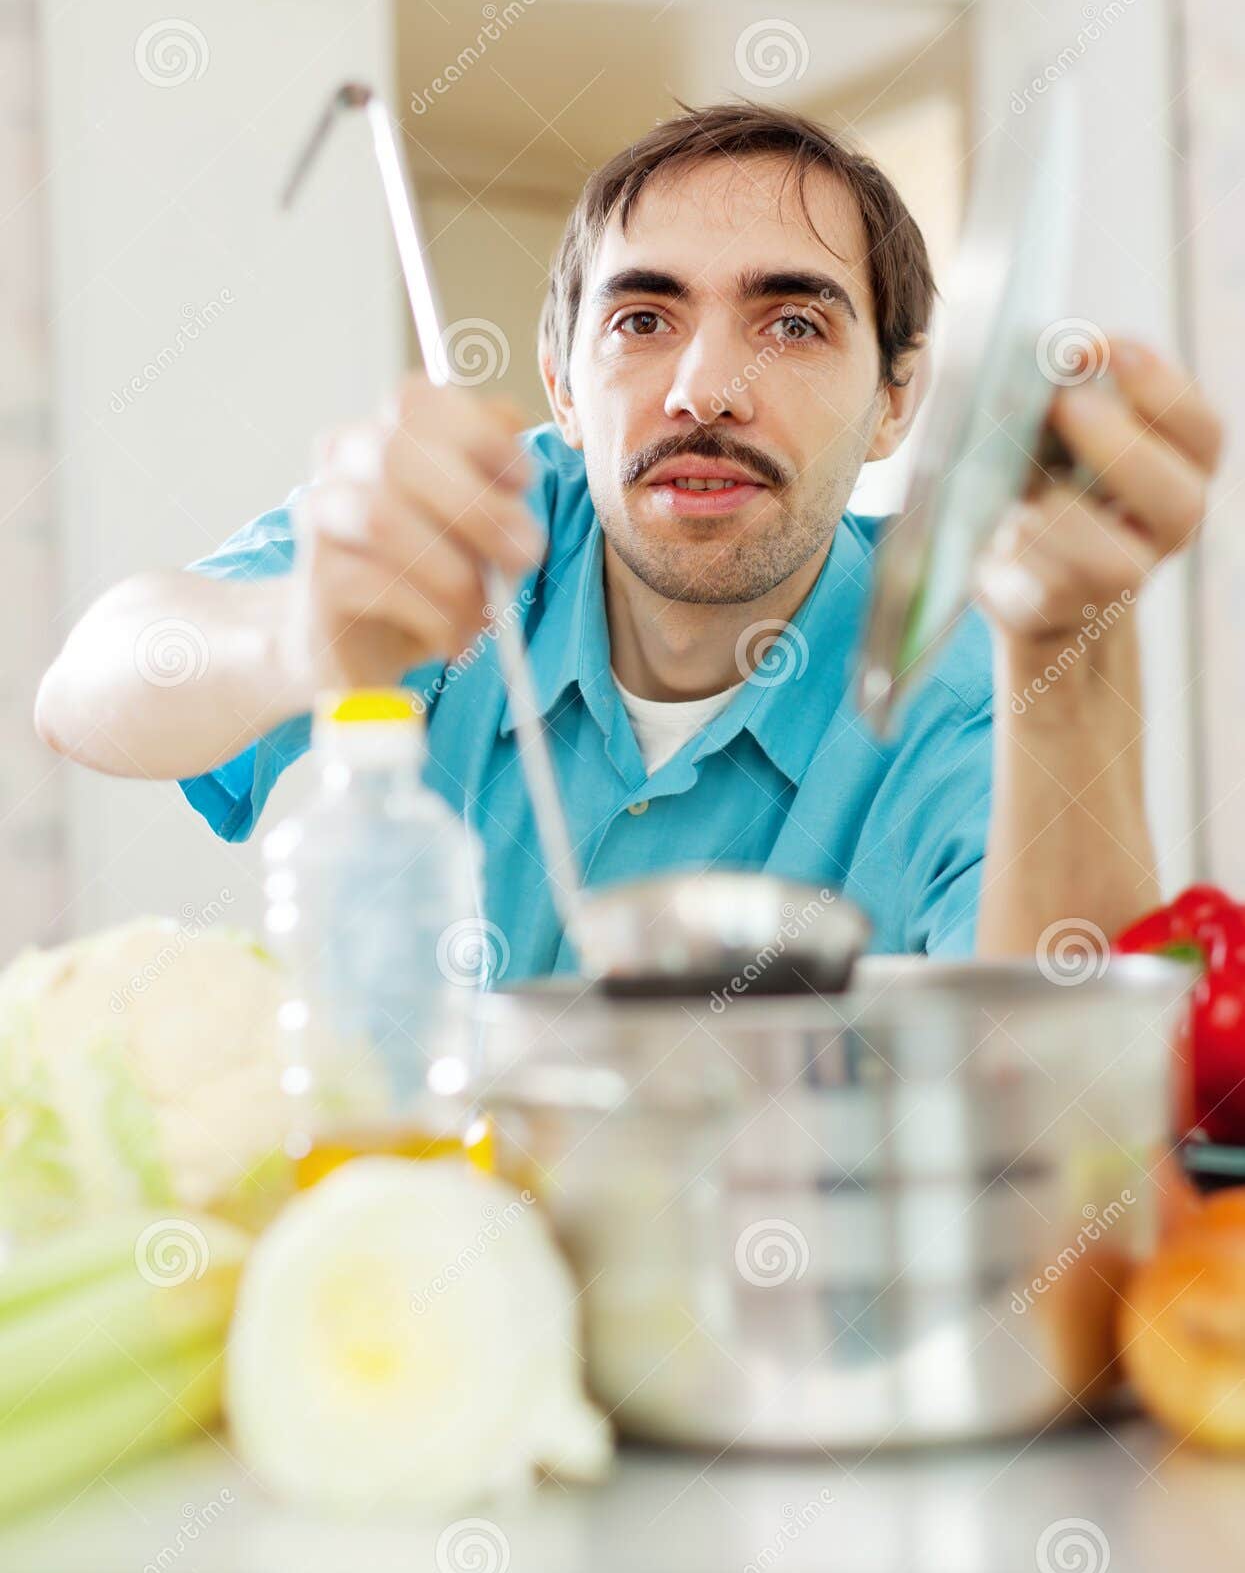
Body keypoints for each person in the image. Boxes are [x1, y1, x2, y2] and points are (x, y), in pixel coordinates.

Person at [35, 102, 1222, 981]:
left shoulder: (961, 684)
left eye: (793, 323)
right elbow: (82, 691)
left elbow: (1071, 1122)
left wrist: (1072, 648)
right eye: (644, 318)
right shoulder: (468, 530)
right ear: (563, 387)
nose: (705, 390)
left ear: (896, 403)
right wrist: (292, 637)